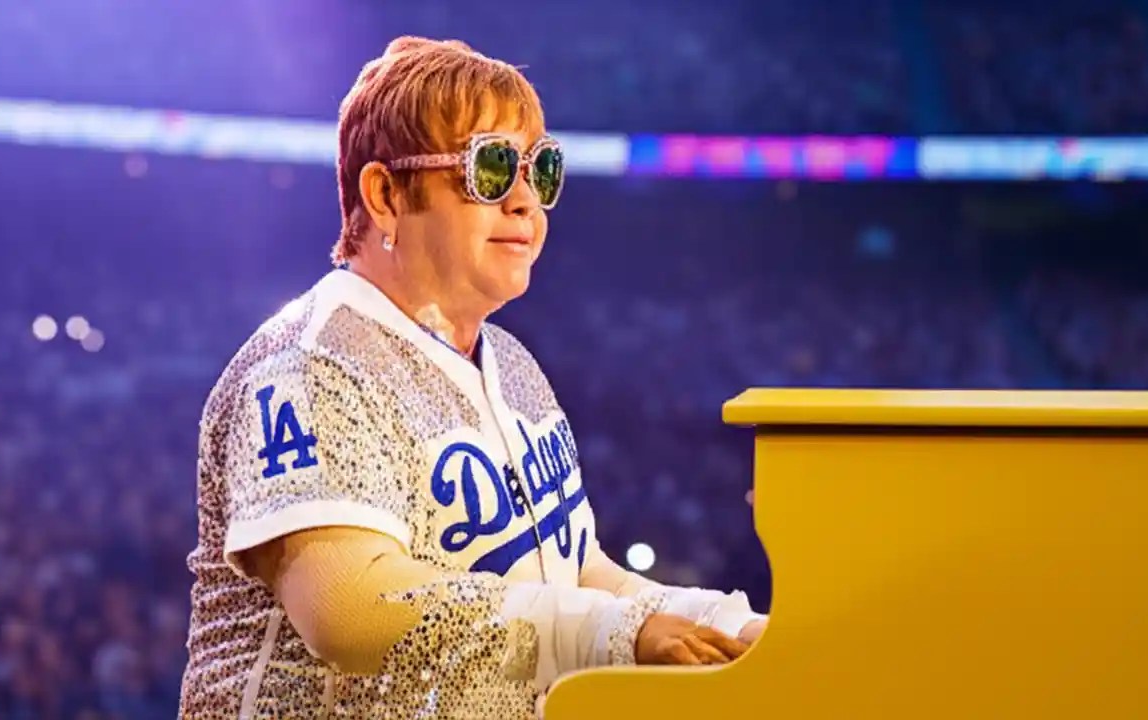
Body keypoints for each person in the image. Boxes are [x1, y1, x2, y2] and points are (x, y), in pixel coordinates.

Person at [177, 36, 766, 719]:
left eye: (540, 171)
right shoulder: (309, 363)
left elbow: (575, 574)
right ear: (386, 194)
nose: (525, 202)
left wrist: (731, 626)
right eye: (491, 168)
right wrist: (611, 635)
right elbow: (350, 608)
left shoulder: (511, 363)